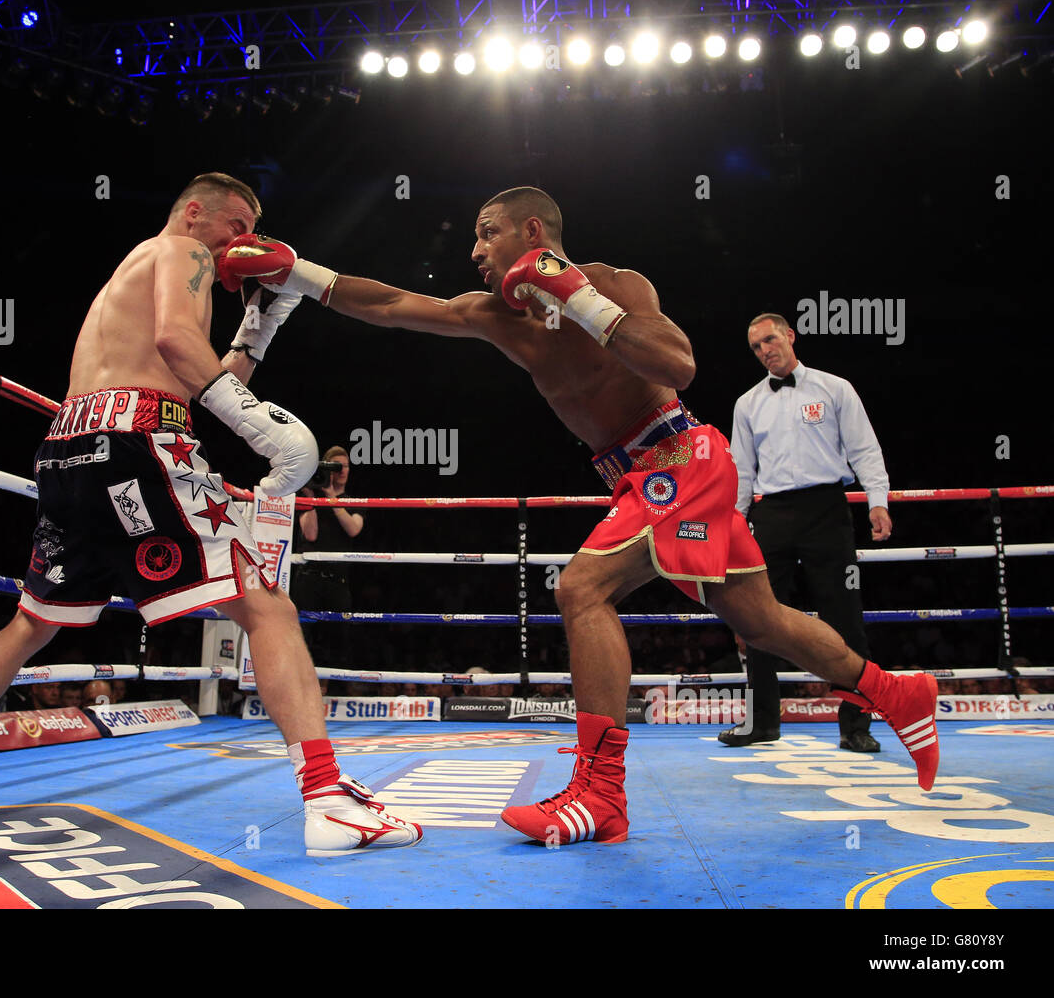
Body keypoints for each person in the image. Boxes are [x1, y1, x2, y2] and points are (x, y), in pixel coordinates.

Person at [217, 186, 940, 846]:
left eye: (487, 232)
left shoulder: (618, 283)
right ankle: (899, 693)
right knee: (763, 622)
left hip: (680, 458)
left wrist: (583, 298)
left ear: (532, 231)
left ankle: (600, 794)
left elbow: (679, 365)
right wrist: (300, 272)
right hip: (637, 475)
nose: (473, 250)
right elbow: (390, 304)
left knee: (579, 589)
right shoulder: (495, 314)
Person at [0, 172, 421, 858]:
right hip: (136, 440)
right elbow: (176, 349)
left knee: (30, 625)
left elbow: (198, 379)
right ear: (194, 214)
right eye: (237, 227)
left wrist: (260, 325)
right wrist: (261, 431)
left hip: (69, 449)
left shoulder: (135, 270)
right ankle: (328, 799)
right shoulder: (181, 251)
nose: (245, 244)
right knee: (267, 607)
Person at [721, 313, 891, 752]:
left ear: (790, 336)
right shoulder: (748, 403)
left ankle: (856, 725)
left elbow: (864, 448)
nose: (765, 351)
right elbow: (742, 470)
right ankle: (761, 723)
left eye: (770, 340)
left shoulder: (835, 388)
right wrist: (736, 525)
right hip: (771, 515)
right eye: (756, 347)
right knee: (757, 619)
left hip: (826, 511)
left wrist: (877, 501)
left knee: (844, 617)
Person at [292, 444, 361, 669]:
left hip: (337, 581)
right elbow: (310, 535)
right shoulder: (311, 498)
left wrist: (332, 498)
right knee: (303, 638)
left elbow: (353, 529)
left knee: (339, 641)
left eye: (345, 466)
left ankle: (334, 690)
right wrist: (312, 498)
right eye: (336, 466)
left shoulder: (354, 501)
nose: (342, 470)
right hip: (309, 577)